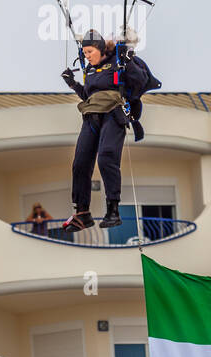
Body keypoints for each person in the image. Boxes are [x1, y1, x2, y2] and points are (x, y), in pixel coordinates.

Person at [60, 30, 147, 232]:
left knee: (106, 157)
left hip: (113, 114)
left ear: (99, 48)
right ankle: (82, 213)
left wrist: (130, 60)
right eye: (85, 52)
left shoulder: (118, 62)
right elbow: (89, 96)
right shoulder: (90, 70)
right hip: (91, 117)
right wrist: (72, 84)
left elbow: (140, 81)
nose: (87, 55)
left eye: (90, 51)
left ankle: (113, 210)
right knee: (80, 163)